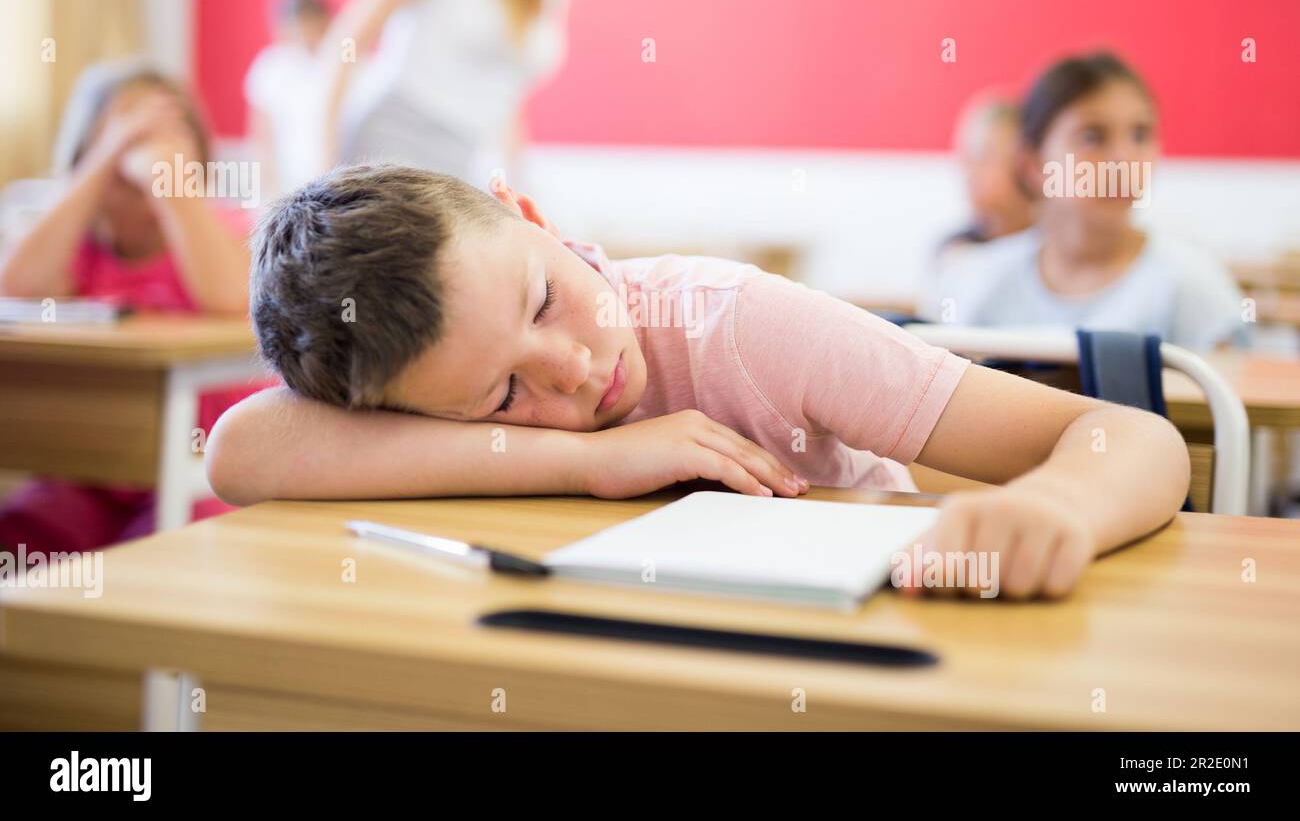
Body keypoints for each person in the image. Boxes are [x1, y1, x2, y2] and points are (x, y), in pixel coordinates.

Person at [205, 163, 1191, 600]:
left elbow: (1131, 438)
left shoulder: (734, 326)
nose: (578, 372)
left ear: (532, 214)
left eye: (545, 301)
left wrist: (1061, 506)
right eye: (506, 396)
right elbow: (240, 450)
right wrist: (591, 461)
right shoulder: (465, 399)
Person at [0, 60, 255, 553]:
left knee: (184, 540)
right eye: (125, 130)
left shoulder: (222, 230)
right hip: (97, 470)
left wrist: (171, 186)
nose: (142, 147)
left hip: (196, 469)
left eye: (161, 132)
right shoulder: (77, 247)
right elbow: (15, 288)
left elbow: (230, 298)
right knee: (19, 531)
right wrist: (104, 159)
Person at [922, 52, 1246, 349]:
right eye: (1092, 136)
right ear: (1033, 164)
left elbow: (1230, 404)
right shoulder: (978, 283)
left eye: (1140, 134)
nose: (1123, 160)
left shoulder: (1192, 288)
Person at [322, 0, 603, 184]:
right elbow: (348, 40)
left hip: (460, 163)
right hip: (389, 144)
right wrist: (323, 182)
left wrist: (520, 190)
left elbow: (504, 91)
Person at [244, 0, 332, 196]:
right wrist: (266, 181)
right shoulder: (272, 66)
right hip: (285, 181)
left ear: (324, 19)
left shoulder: (345, 63)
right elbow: (260, 133)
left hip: (330, 176)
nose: (302, 36)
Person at [938, 96, 1037, 262]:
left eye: (984, 157)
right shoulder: (957, 251)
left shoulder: (1053, 248)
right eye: (967, 158)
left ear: (1025, 164)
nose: (970, 172)